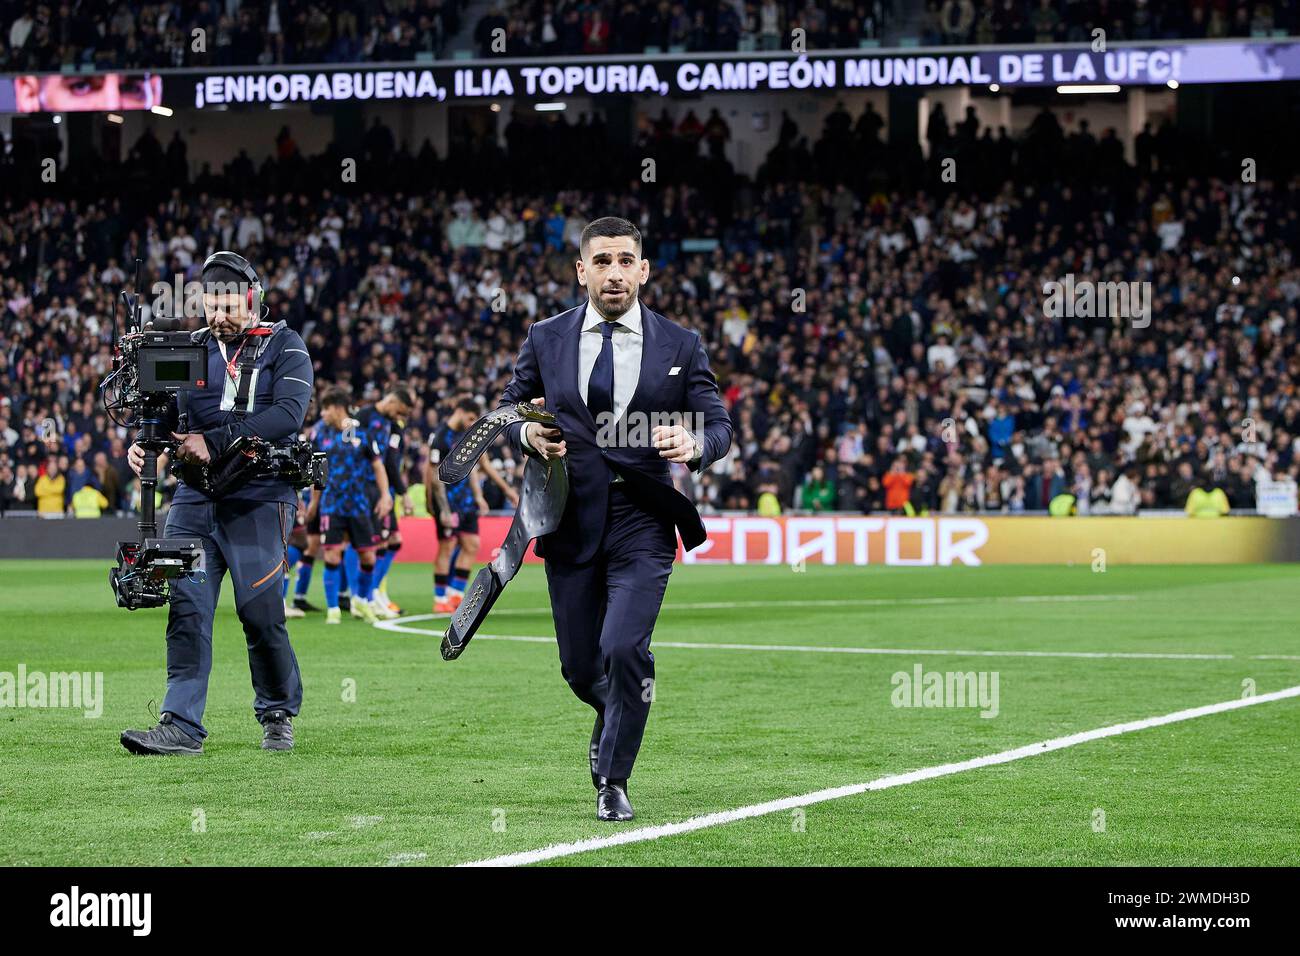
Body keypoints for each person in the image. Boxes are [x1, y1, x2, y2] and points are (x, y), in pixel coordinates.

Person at [496, 216, 732, 821]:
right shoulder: (545, 336)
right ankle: (615, 710)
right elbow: (506, 410)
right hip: (569, 517)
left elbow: (720, 425)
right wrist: (526, 432)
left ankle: (612, 777)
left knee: (624, 647)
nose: (614, 273)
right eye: (601, 261)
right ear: (581, 271)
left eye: (626, 260)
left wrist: (695, 441)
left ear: (644, 270)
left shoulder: (682, 344)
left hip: (643, 521)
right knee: (580, 665)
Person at [119, 251, 314, 756]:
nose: (219, 316)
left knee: (259, 610)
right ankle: (180, 723)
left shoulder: (285, 347)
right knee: (187, 606)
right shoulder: (189, 347)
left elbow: (288, 415)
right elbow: (163, 413)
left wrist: (217, 439)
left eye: (229, 305)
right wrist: (148, 446)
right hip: (194, 496)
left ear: (252, 301)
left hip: (260, 496)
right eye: (211, 306)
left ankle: (276, 712)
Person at [306, 387, 392, 624]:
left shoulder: (360, 433)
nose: (322, 413)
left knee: (368, 558)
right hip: (331, 504)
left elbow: (377, 465)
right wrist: (314, 502)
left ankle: (361, 601)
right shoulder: (318, 433)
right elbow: (317, 472)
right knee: (332, 555)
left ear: (337, 408)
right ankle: (333, 609)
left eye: (326, 408)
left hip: (359, 504)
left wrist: (386, 495)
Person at [424, 397, 517, 614]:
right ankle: (439, 598)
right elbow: (434, 476)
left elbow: (475, 466)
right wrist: (442, 510)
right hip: (448, 503)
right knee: (446, 547)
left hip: (466, 501)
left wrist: (478, 495)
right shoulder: (440, 437)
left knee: (472, 544)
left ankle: (455, 594)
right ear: (459, 411)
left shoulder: (468, 435)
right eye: (471, 418)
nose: (472, 422)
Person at [353, 383, 417, 618]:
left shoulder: (391, 426)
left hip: (381, 490)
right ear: (392, 401)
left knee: (390, 541)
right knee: (372, 544)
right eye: (400, 411)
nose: (400, 417)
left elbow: (391, 460)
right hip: (363, 488)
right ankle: (363, 596)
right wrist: (403, 493)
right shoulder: (364, 416)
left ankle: (372, 594)